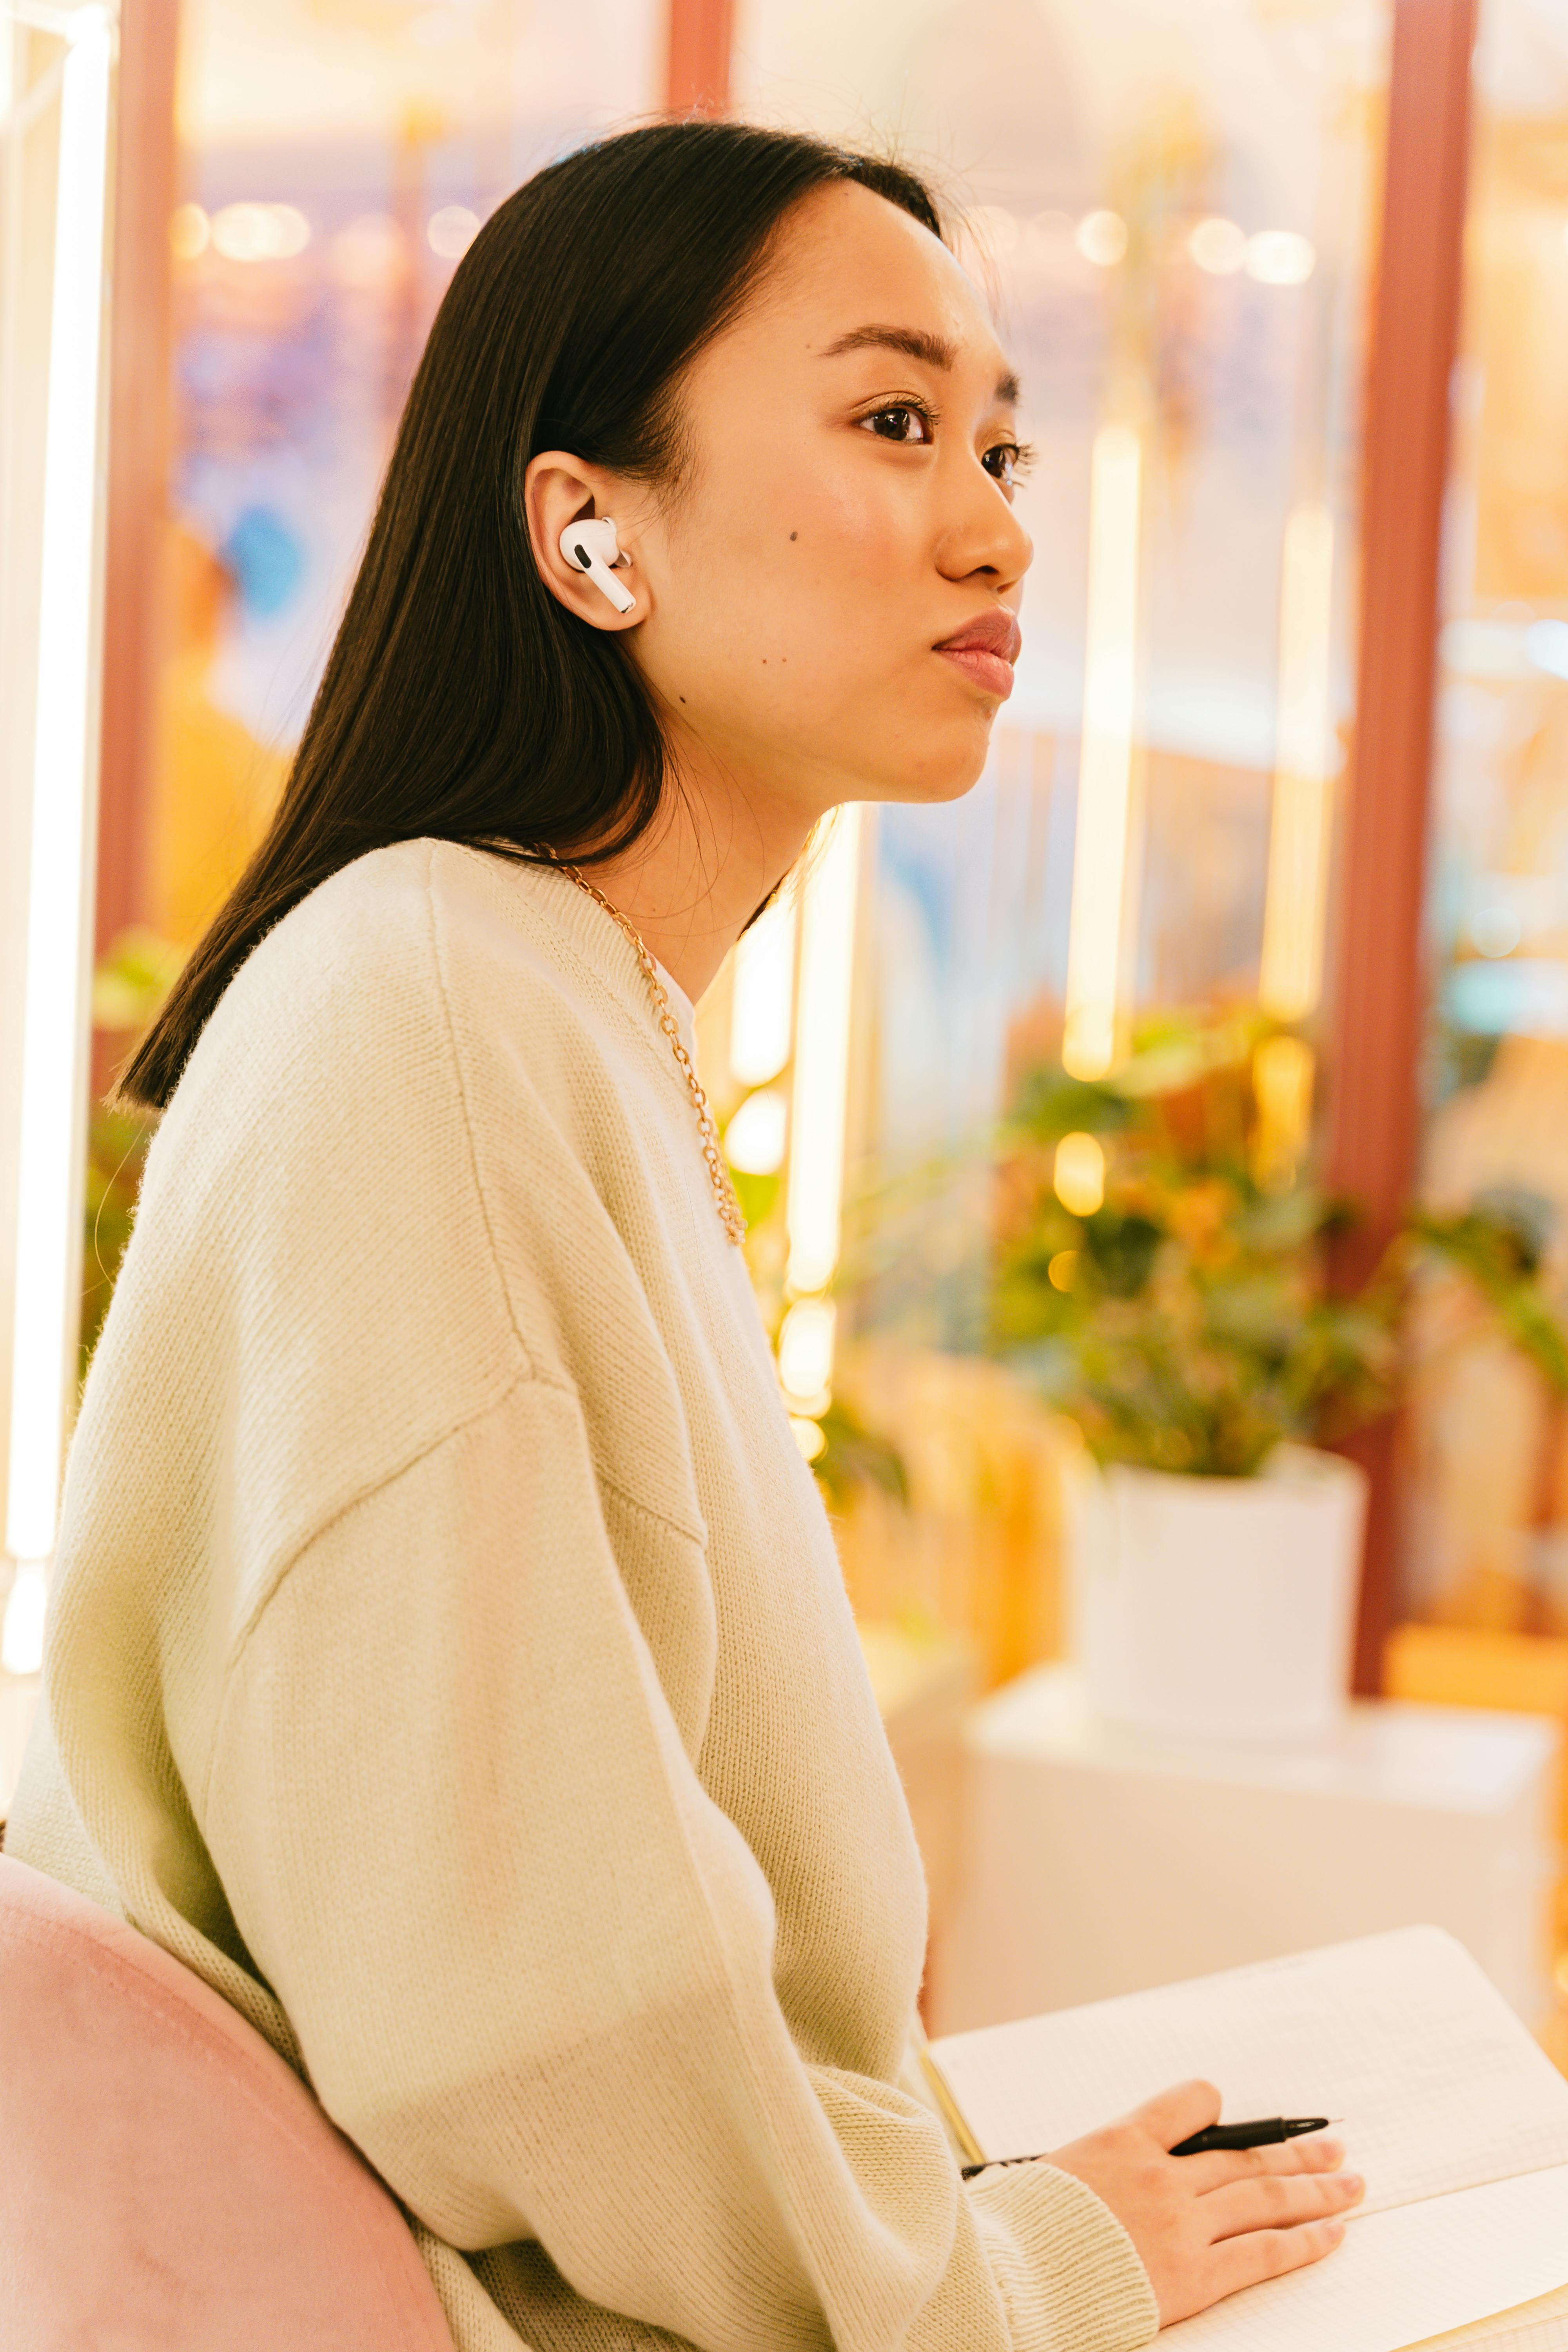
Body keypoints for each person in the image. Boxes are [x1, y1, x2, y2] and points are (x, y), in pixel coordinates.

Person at [6, 121, 1360, 2350]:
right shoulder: (438, 1008)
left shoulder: (537, 997)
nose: (997, 524)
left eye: (1000, 444)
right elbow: (543, 1997)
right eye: (894, 419)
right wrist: (1012, 2278)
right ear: (590, 530)